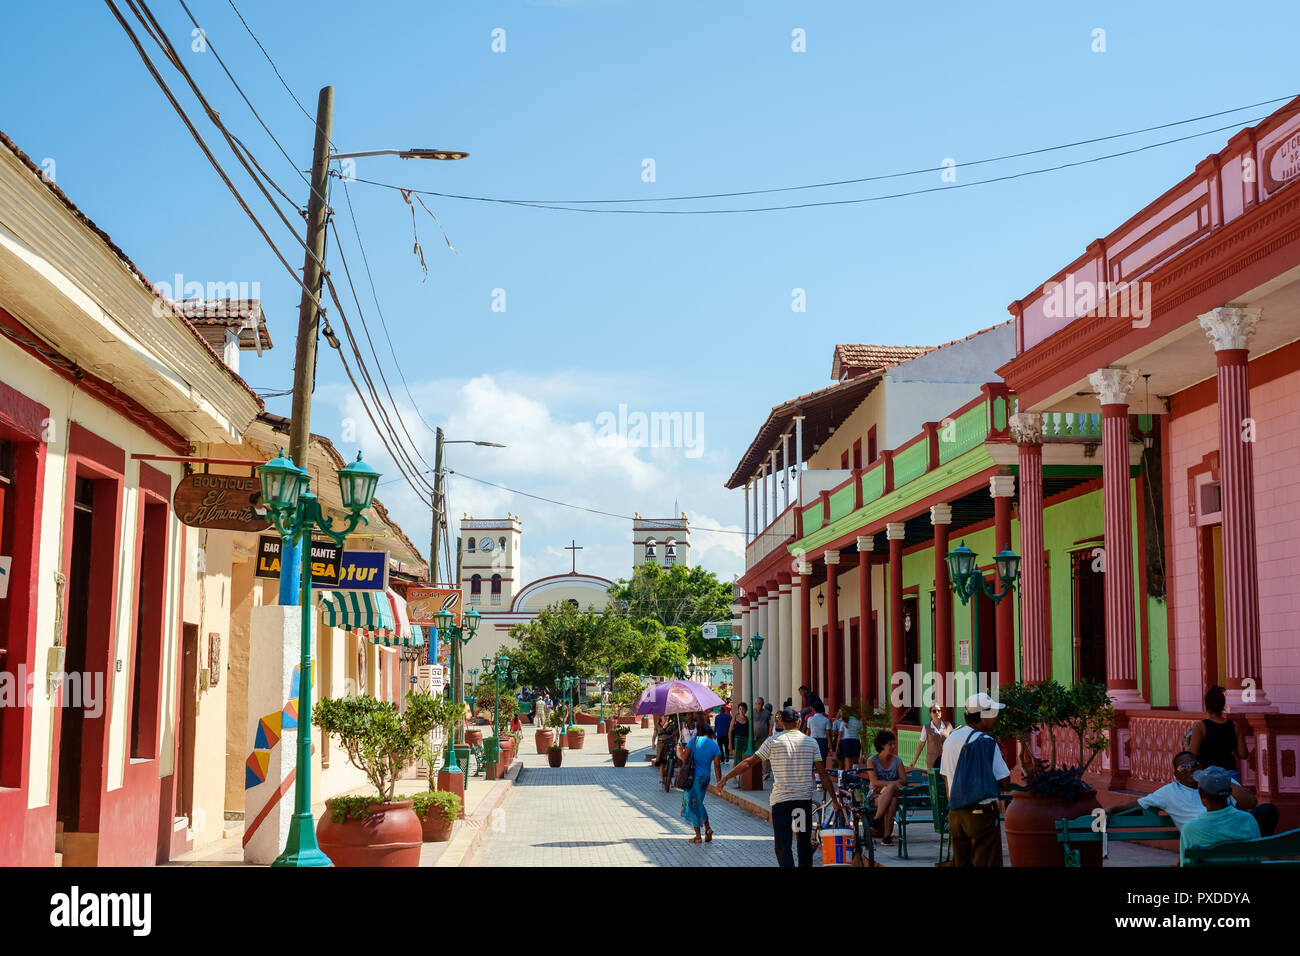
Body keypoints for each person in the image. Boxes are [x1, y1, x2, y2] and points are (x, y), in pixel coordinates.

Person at [716, 707, 839, 867]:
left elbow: (748, 763)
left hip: (782, 804)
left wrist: (725, 778)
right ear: (799, 721)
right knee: (803, 842)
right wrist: (835, 800)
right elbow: (823, 774)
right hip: (801, 803)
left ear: (780, 722)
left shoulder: (772, 742)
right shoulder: (811, 743)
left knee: (783, 844)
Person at [1106, 751, 1278, 836]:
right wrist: (1111, 809)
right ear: (1176, 775)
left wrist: (1221, 783)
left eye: (1194, 764)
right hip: (1203, 836)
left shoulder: (1217, 778)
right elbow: (1139, 803)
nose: (1191, 769)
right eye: (1184, 767)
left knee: (1268, 810)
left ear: (1201, 765)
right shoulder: (1169, 792)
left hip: (1231, 829)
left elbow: (1250, 803)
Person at [941, 693, 1012, 867]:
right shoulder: (986, 741)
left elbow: (946, 776)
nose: (996, 717)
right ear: (983, 716)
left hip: (956, 813)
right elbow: (1004, 780)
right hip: (981, 811)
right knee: (986, 861)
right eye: (994, 713)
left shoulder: (950, 739)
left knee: (961, 862)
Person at [1179, 766, 1261, 866]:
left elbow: (1186, 863)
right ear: (1230, 793)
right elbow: (1257, 858)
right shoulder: (1248, 819)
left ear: (1200, 794)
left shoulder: (1189, 830)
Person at [1188, 686, 1247, 780]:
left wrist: (1185, 744)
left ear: (1206, 705)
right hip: (1230, 773)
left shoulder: (1200, 726)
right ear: (1223, 705)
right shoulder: (1234, 725)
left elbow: (1192, 754)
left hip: (1208, 775)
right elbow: (1243, 754)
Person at [680, 723, 724, 844]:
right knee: (698, 803)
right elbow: (717, 766)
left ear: (700, 733)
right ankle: (708, 829)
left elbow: (684, 757)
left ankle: (698, 836)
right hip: (705, 778)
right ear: (710, 734)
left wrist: (680, 750)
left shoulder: (694, 741)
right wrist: (719, 781)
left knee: (694, 805)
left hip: (693, 778)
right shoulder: (715, 747)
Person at [864, 729, 905, 846]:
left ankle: (876, 819)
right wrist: (892, 784)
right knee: (892, 800)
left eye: (894, 744)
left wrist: (889, 785)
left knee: (891, 794)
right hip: (875, 795)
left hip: (890, 793)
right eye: (890, 744)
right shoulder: (872, 760)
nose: (893, 747)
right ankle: (887, 837)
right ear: (882, 745)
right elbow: (874, 781)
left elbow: (904, 780)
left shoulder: (897, 760)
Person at [910, 706, 951, 771]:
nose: (937, 712)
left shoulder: (948, 725)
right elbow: (921, 745)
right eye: (934, 711)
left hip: (946, 759)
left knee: (946, 780)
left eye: (939, 711)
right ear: (930, 714)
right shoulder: (926, 728)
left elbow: (953, 741)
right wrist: (914, 760)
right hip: (932, 761)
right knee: (934, 780)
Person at [835, 705, 863, 770]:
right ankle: (854, 776)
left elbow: (840, 736)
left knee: (848, 763)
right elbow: (862, 736)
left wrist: (837, 747)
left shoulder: (844, 722)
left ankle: (848, 777)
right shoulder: (858, 722)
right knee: (855, 762)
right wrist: (863, 748)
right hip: (856, 742)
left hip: (846, 743)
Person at [729, 702, 750, 771]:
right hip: (736, 741)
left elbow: (749, 732)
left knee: (743, 759)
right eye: (740, 709)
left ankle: (741, 773)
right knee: (736, 759)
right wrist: (730, 743)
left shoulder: (747, 720)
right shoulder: (735, 718)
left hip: (745, 741)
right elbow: (730, 731)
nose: (741, 711)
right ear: (738, 710)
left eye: (743, 709)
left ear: (746, 710)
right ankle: (734, 775)